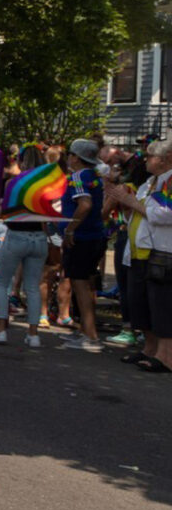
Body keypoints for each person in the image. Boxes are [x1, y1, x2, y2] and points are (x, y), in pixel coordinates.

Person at [105, 137, 172, 372]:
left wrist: (131, 202)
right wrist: (125, 203)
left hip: (159, 252)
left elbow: (165, 214)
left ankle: (166, 355)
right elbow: (138, 211)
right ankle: (149, 348)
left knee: (161, 304)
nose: (145, 160)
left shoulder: (169, 182)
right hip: (138, 251)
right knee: (140, 302)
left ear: (165, 159)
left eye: (150, 156)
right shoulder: (150, 182)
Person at [0, 144, 52, 347]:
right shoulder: (45, 186)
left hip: (17, 235)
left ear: (21, 161)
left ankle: (0, 329)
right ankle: (33, 334)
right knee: (32, 286)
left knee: (1, 283)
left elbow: (6, 212)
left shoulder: (13, 183)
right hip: (39, 237)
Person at [59, 139, 110, 351]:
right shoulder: (95, 176)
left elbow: (85, 204)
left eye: (70, 154)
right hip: (94, 236)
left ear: (76, 158)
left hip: (82, 239)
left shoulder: (78, 177)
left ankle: (90, 336)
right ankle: (86, 332)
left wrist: (70, 229)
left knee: (80, 286)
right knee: (86, 286)